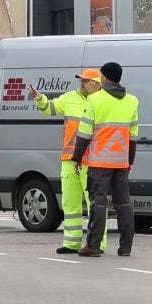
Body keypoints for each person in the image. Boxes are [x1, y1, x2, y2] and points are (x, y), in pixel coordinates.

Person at [27, 69, 101, 254]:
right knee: (70, 203)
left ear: (97, 83)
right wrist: (40, 99)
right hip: (70, 160)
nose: (82, 84)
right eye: (81, 81)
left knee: (95, 204)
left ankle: (98, 243)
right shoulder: (69, 97)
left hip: (92, 160)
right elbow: (50, 109)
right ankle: (72, 243)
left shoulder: (102, 101)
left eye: (86, 81)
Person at [73, 62, 139, 257]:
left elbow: (84, 133)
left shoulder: (95, 100)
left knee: (98, 203)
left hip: (99, 162)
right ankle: (126, 247)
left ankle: (93, 246)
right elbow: (133, 135)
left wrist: (77, 158)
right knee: (124, 203)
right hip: (121, 161)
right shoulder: (132, 101)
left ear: (105, 77)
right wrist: (130, 160)